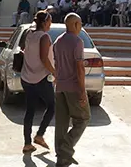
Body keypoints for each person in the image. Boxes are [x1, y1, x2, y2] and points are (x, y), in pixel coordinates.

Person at [53, 13, 90, 167]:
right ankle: (65, 149)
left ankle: (62, 157)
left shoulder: (58, 41)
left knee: (61, 123)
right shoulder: (77, 41)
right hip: (73, 87)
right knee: (83, 119)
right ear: (75, 24)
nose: (81, 27)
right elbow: (79, 68)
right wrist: (82, 91)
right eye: (80, 24)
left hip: (59, 86)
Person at [22, 11, 57, 154]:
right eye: (50, 22)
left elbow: (24, 50)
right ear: (45, 23)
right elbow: (44, 58)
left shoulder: (29, 34)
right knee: (52, 106)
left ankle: (27, 143)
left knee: (30, 111)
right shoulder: (44, 37)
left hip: (26, 77)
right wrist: (55, 72)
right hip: (41, 78)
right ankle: (40, 134)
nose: (51, 24)